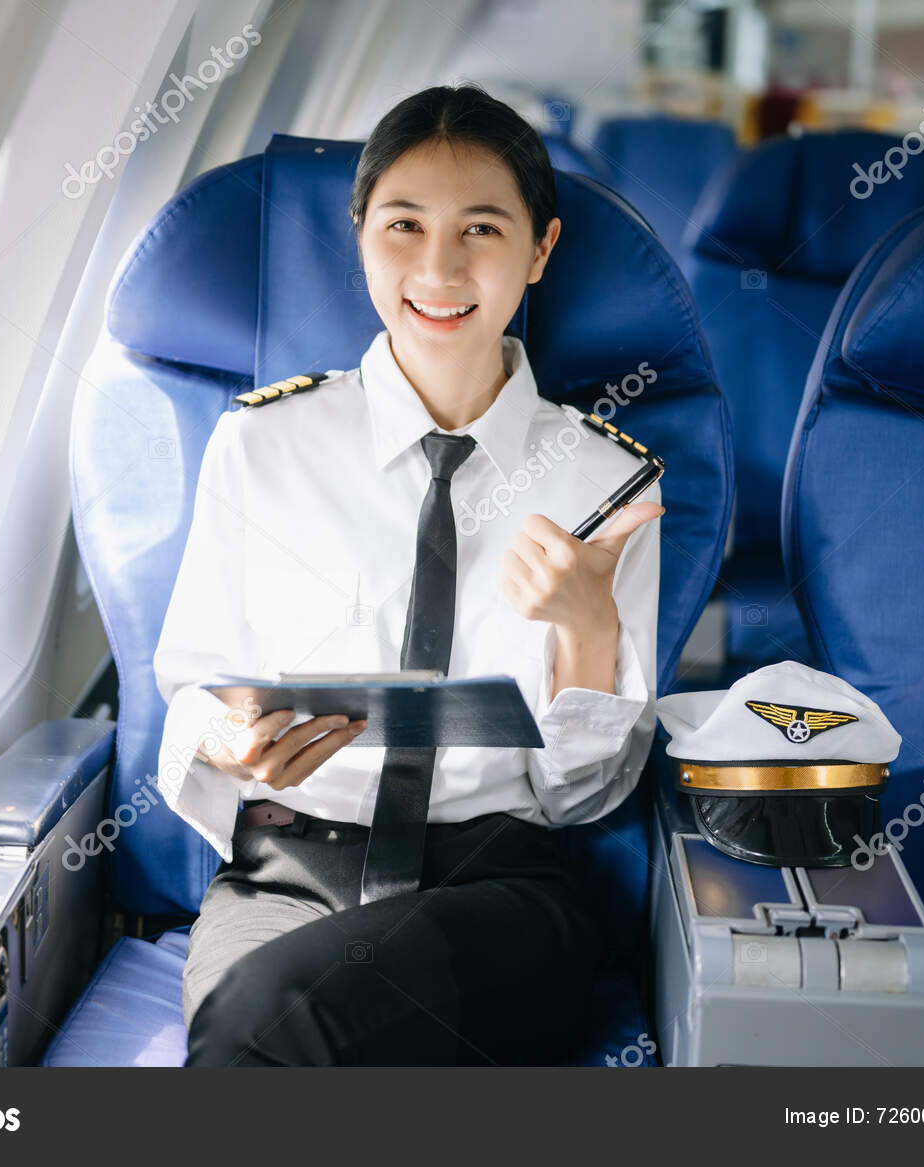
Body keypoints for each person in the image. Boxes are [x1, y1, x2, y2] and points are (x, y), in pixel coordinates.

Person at [152, 83, 663, 1066]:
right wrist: (223, 738)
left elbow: (581, 799)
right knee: (260, 1015)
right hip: (287, 870)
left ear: (540, 250)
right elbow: (193, 681)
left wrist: (588, 629)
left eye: (481, 228)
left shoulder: (608, 483)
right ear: (359, 238)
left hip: (497, 890)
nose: (438, 266)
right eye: (403, 225)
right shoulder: (262, 446)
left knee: (267, 1027)